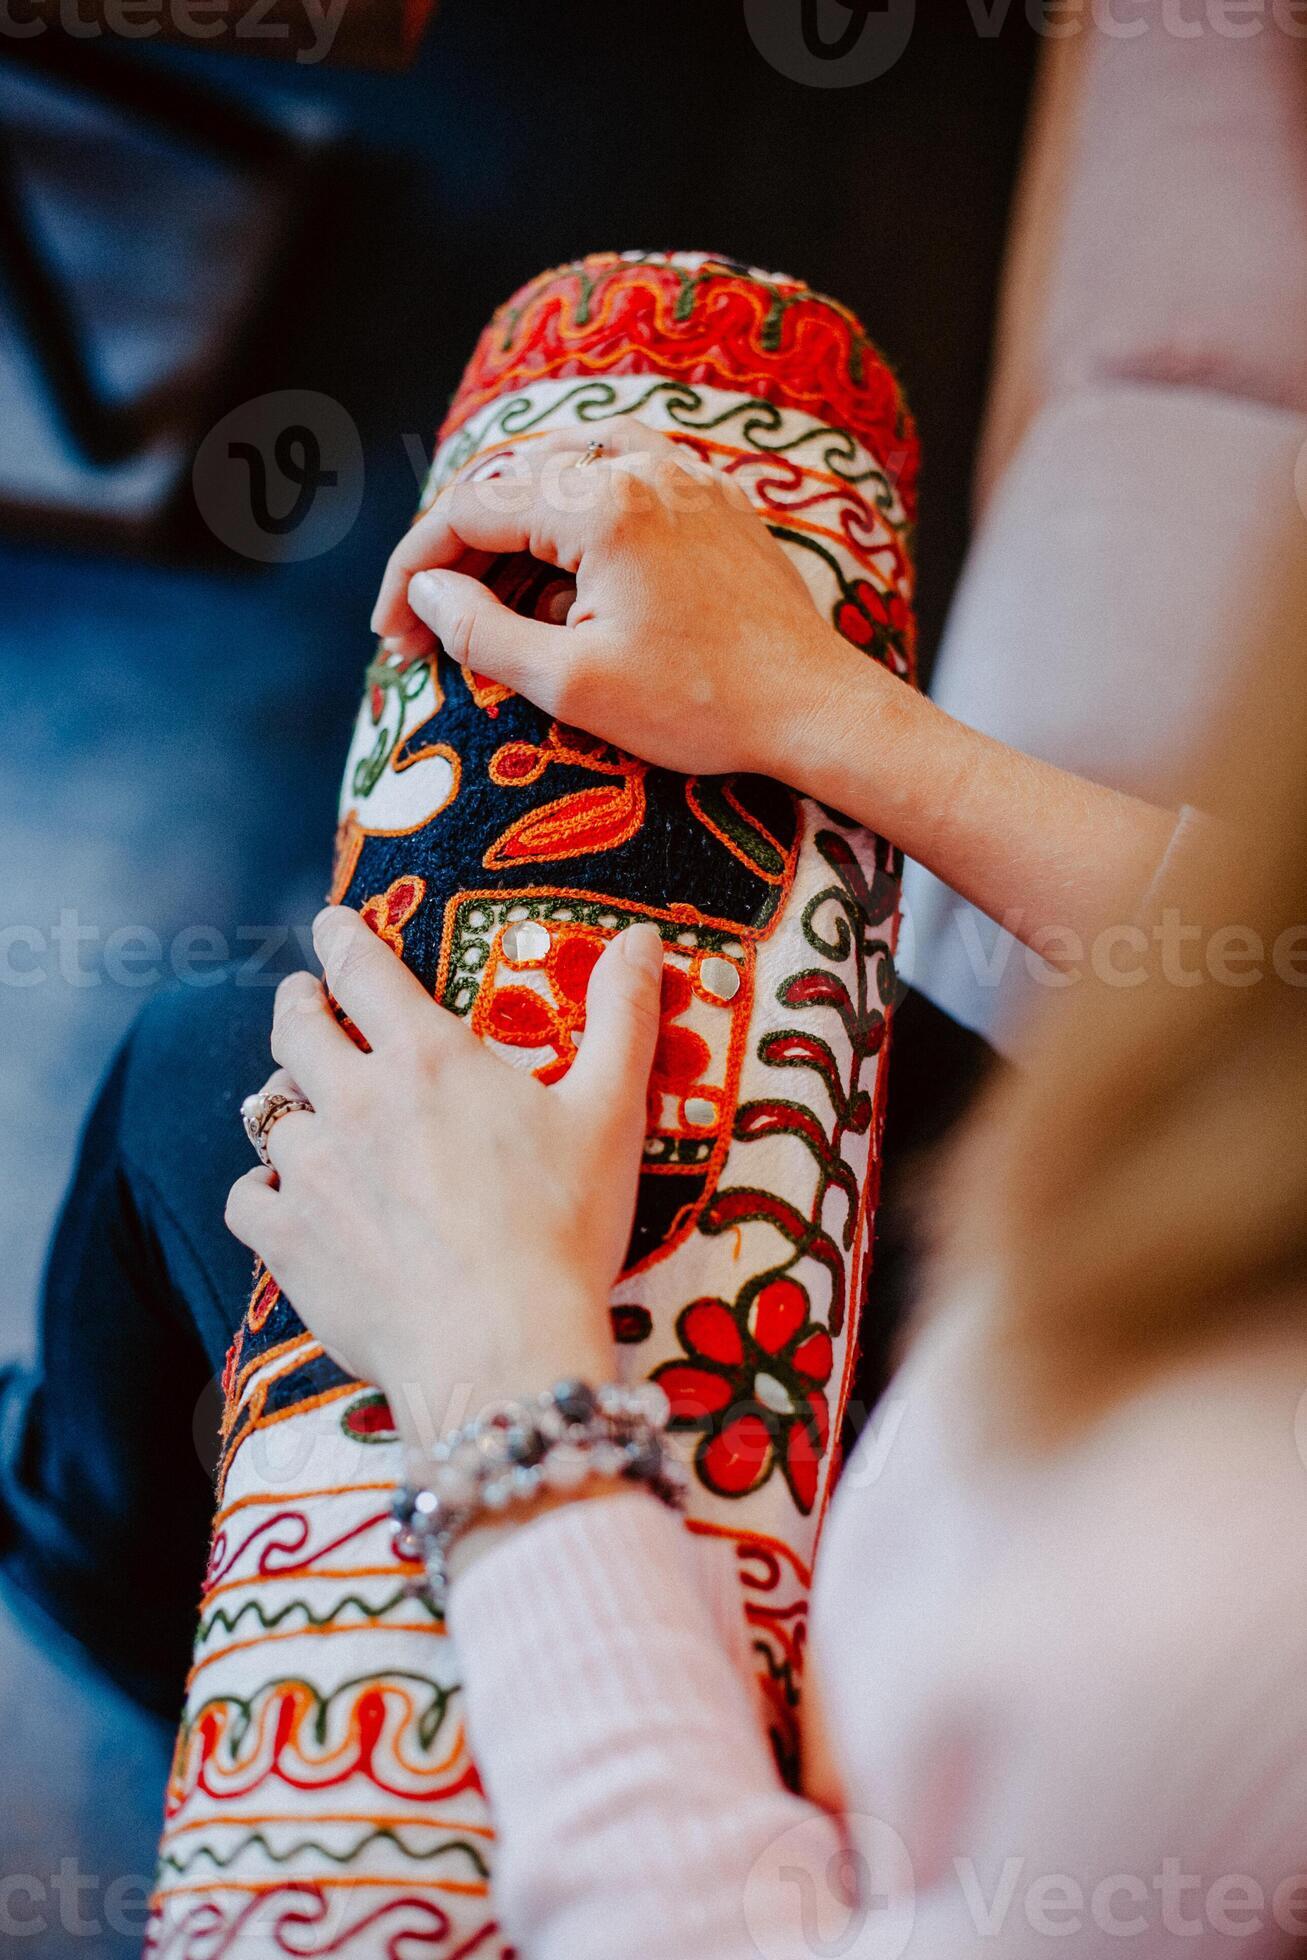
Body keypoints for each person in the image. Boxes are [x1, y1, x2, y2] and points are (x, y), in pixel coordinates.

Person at [220, 447, 1307, 1958]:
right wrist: (818, 701)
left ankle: (75, 1533)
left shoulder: (1223, 1639)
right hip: (976, 1431)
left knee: (201, 1086)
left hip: (824, 1744)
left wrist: (505, 1369)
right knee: (226, 1069)